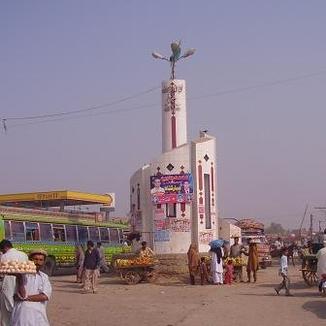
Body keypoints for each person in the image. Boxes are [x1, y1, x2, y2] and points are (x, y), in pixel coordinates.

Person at [11, 249, 52, 326]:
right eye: (35, 259)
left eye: (41, 260)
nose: (38, 262)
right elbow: (22, 295)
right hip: (23, 313)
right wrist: (19, 278)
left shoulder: (44, 277)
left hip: (39, 313)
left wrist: (25, 298)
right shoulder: (22, 274)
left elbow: (45, 296)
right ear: (30, 260)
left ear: (44, 262)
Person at [0, 240, 28, 326]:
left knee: (7, 312)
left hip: (8, 285)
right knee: (19, 308)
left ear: (4, 248)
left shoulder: (4, 256)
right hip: (23, 285)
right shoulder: (24, 255)